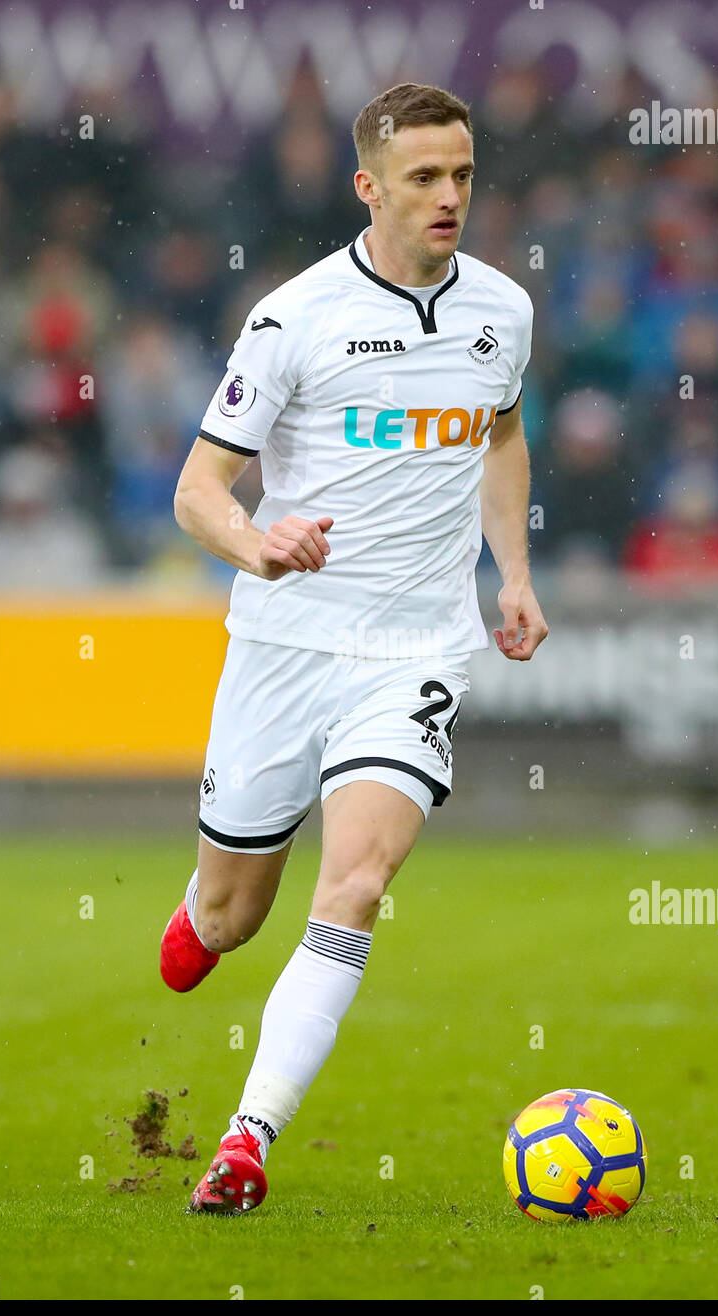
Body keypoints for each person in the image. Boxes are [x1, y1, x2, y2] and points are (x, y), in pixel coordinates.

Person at [161, 83, 548, 1215]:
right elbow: (198, 490)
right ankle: (200, 908)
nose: (449, 198)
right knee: (234, 920)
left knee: (361, 880)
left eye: (464, 175)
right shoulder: (295, 317)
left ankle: (247, 1137)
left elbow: (503, 430)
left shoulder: (502, 312)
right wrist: (257, 539)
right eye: (424, 177)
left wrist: (512, 572)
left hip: (415, 650)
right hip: (286, 644)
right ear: (367, 187)